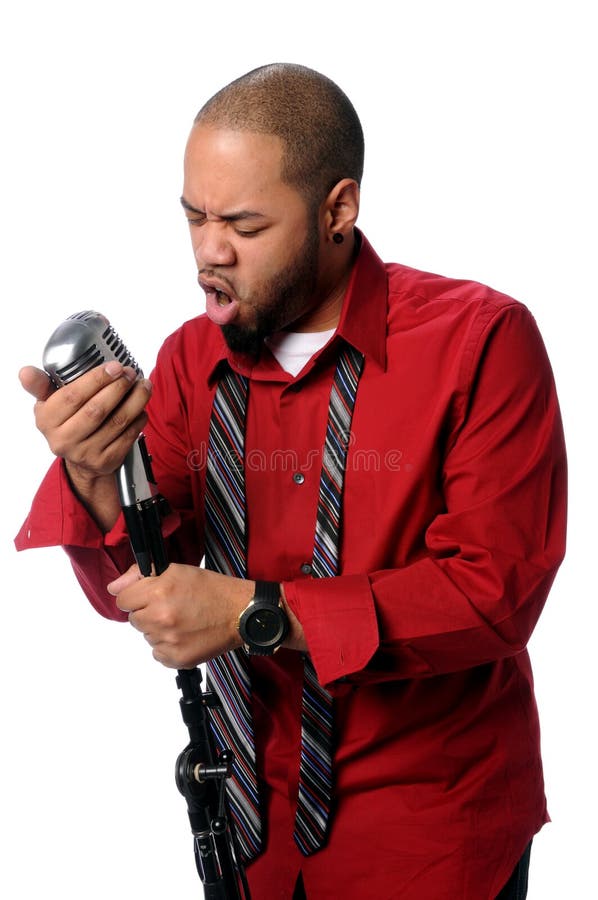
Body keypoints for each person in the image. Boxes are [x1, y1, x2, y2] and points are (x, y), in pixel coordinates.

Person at [16, 63, 567, 900]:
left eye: (243, 223)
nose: (209, 251)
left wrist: (255, 613)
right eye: (194, 217)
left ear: (338, 210)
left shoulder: (483, 342)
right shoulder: (187, 360)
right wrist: (96, 476)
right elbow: (149, 591)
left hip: (430, 834)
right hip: (249, 834)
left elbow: (495, 595)